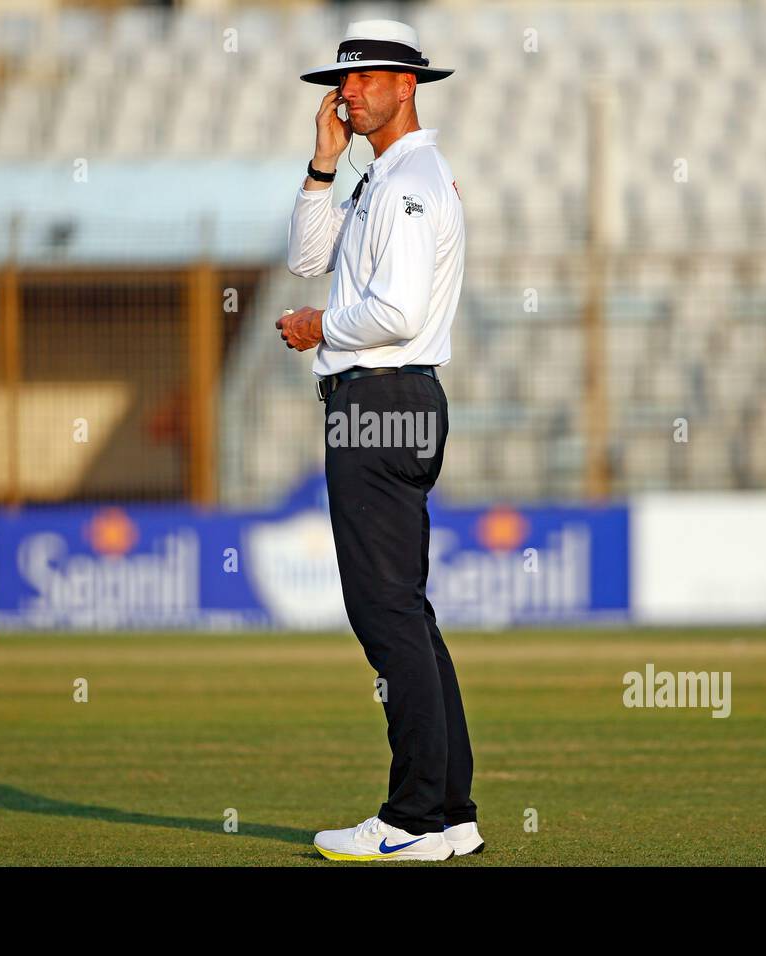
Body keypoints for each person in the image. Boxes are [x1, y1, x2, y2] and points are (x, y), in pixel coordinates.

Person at [280, 20, 481, 861]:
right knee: (407, 614)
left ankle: (414, 820)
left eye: (367, 79)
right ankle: (451, 811)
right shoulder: (380, 175)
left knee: (385, 612)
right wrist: (324, 163)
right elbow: (306, 254)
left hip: (380, 400)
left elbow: (390, 313)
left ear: (409, 85)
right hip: (390, 398)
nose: (350, 91)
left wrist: (321, 323)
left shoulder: (409, 181)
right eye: (345, 79)